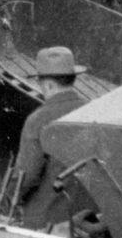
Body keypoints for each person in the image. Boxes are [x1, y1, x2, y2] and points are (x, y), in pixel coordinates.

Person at [13, 45, 87, 227]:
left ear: (48, 85)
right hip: (84, 215)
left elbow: (27, 175)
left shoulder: (38, 119)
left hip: (47, 218)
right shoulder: (94, 110)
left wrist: (11, 198)